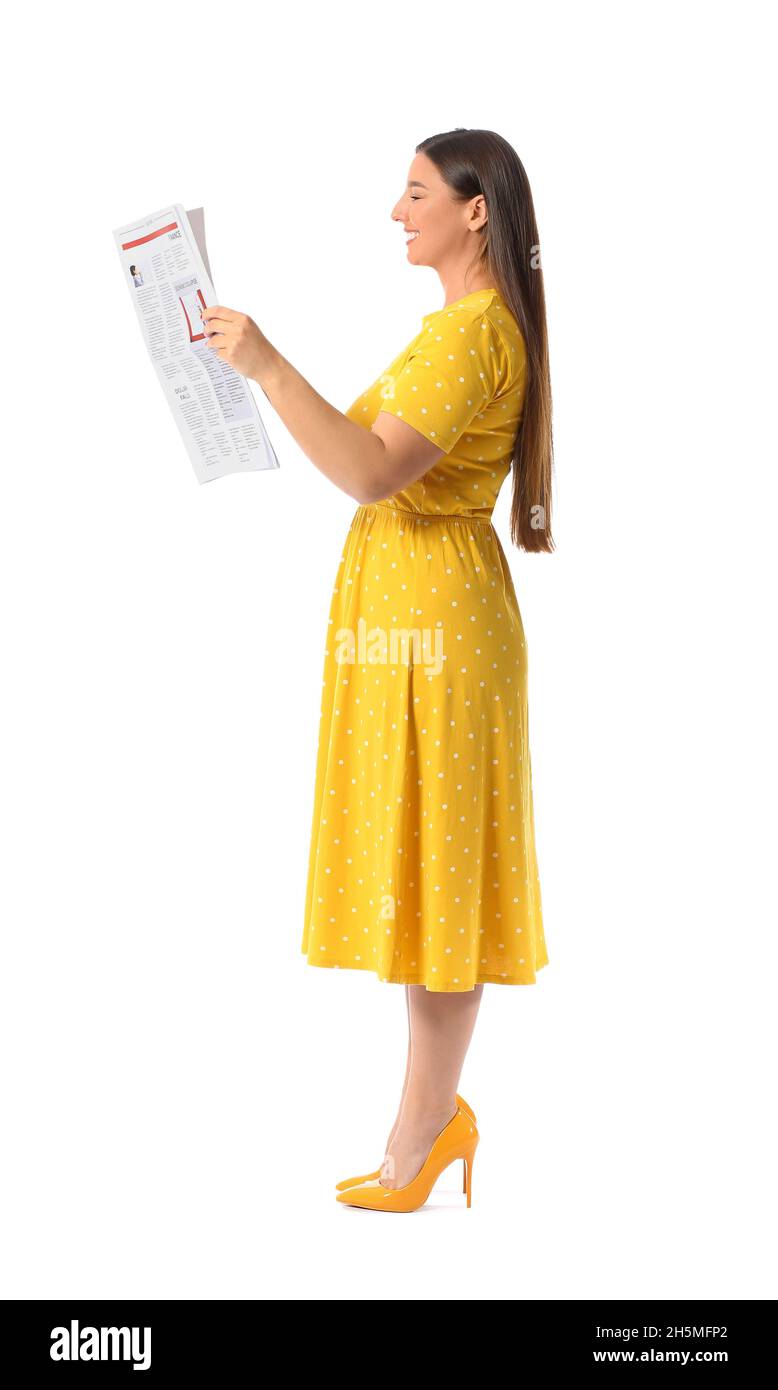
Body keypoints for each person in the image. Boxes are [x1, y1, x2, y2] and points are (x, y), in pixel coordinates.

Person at [200, 127, 554, 1213]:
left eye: (412, 194)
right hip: (419, 628)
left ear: (474, 209)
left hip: (434, 637)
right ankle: (427, 1123)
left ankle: (423, 1133)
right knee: (427, 875)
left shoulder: (467, 338)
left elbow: (366, 470)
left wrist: (262, 361)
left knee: (443, 883)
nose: (396, 213)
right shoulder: (460, 330)